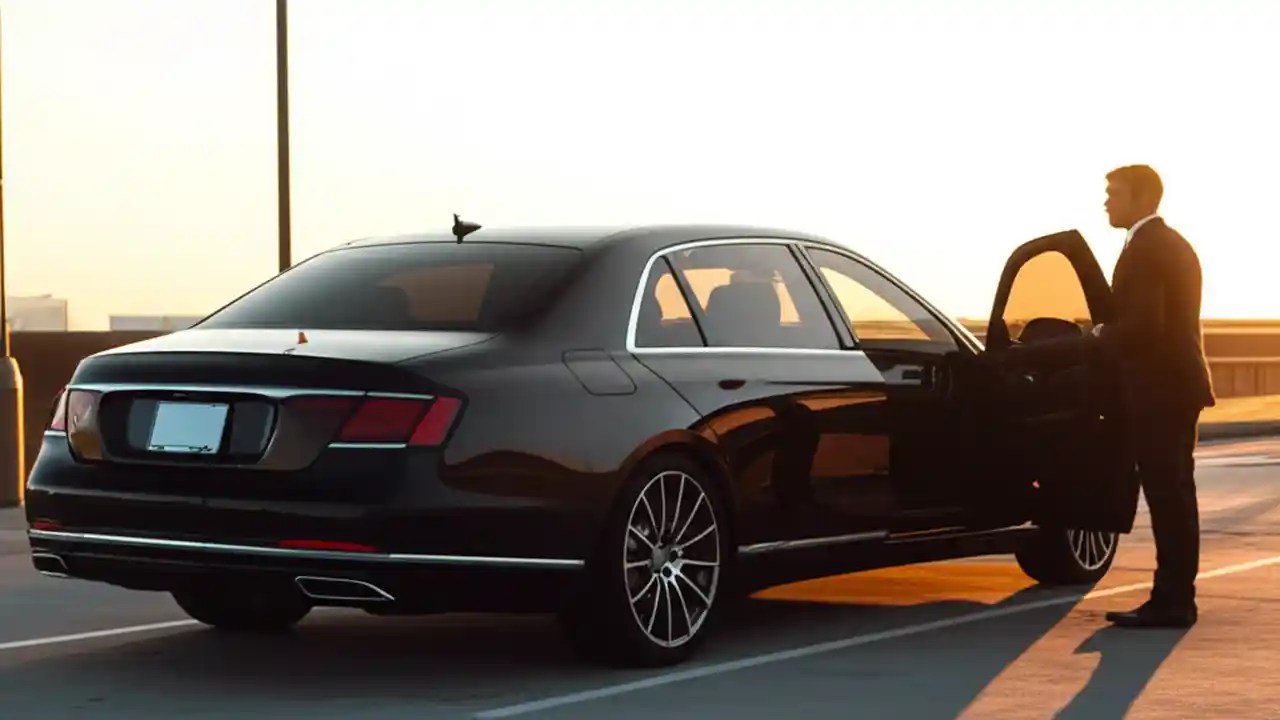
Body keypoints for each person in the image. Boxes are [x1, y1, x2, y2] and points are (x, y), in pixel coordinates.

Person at [1093, 164, 1215, 628]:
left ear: (1141, 198)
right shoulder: (1170, 244)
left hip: (1160, 390)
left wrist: (1101, 333)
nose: (1106, 201)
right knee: (1175, 494)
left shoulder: (1147, 249)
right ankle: (1175, 597)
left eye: (1114, 193)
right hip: (1175, 387)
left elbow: (1146, 326)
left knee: (1169, 495)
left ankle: (1173, 601)